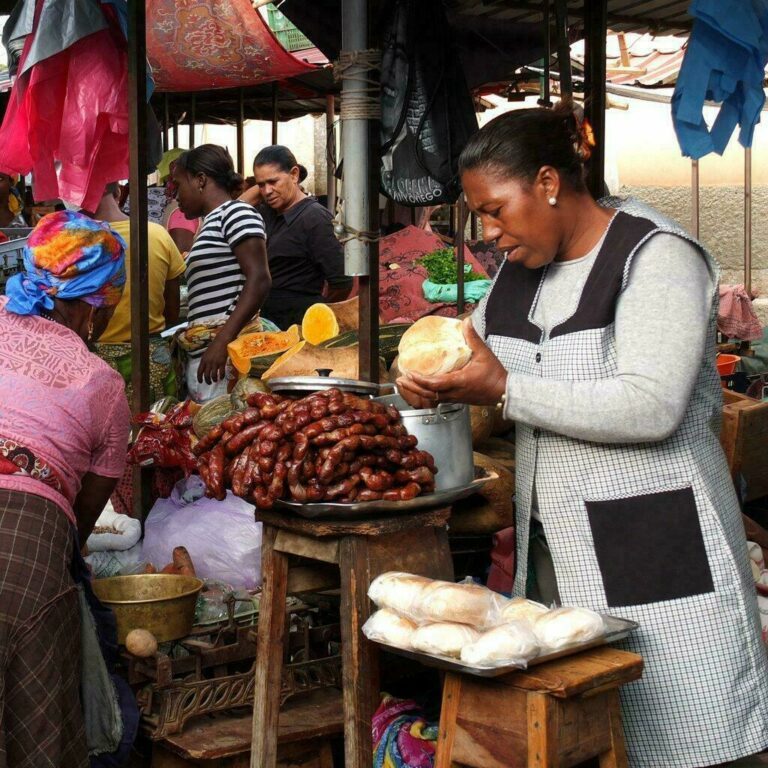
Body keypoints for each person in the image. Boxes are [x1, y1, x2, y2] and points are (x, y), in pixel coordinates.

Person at [397, 103, 768, 768]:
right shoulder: (520, 270)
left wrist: (505, 388)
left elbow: (652, 406)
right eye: (479, 216)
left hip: (653, 538)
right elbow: (468, 347)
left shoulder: (655, 256)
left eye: (495, 210)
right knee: (588, 737)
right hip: (556, 544)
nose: (489, 233)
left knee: (684, 732)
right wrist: (429, 375)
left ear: (547, 182)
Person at [0, 210, 131, 765]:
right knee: (35, 728)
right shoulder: (102, 384)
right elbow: (79, 520)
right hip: (20, 563)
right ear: (95, 305)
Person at [172, 144, 271, 399]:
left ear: (200, 180)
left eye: (178, 185)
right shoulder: (211, 222)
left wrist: (221, 342)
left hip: (226, 356)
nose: (175, 195)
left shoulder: (236, 213)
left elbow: (259, 279)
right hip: (212, 355)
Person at [246, 145, 351, 329]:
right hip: (264, 323)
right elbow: (228, 213)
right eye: (261, 185)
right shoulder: (265, 212)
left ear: (294, 175)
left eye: (273, 181)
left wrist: (317, 315)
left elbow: (342, 282)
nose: (267, 191)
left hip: (298, 324)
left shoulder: (314, 218)